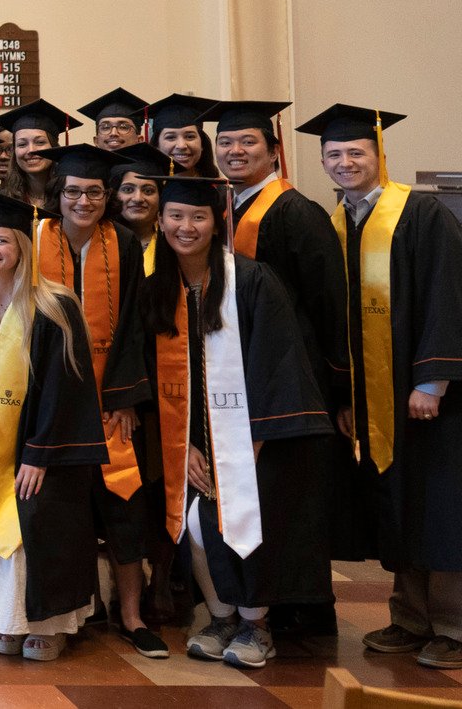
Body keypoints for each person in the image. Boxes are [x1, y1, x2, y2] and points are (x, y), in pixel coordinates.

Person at [137, 175, 332, 670]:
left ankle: (257, 624)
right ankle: (223, 615)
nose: (186, 226)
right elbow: (152, 380)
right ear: (160, 223)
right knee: (196, 525)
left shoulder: (253, 280)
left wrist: (243, 451)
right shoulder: (157, 290)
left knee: (242, 516)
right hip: (192, 440)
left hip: (261, 439)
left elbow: (277, 366)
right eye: (176, 217)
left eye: (198, 217)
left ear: (217, 221)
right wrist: (185, 449)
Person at [294, 105, 462, 669]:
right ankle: (409, 618)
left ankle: (453, 626)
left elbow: (448, 295)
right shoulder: (334, 223)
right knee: (396, 504)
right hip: (368, 399)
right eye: (334, 155)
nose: (345, 163)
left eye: (355, 153)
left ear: (378, 156)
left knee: (439, 507)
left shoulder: (422, 215)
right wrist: (343, 398)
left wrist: (432, 380)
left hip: (426, 399)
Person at [205, 98, 346, 652]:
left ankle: (301, 615)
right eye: (226, 144)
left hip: (293, 383)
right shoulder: (227, 208)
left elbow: (330, 305)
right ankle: (264, 605)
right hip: (242, 377)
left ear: (273, 150)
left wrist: (338, 386)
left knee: (291, 500)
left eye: (247, 144)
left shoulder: (294, 212)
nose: (235, 152)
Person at [0, 193, 108, 661]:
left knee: (39, 524)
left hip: (43, 447)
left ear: (22, 246)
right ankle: (5, 620)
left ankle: (52, 624)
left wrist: (41, 452)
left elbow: (69, 388)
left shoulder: (53, 306)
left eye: (2, 240)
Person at [34, 144, 165, 657]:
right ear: (57, 195)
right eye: (73, 192)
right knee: (63, 512)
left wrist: (126, 397)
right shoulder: (34, 237)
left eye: (93, 192)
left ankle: (131, 616)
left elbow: (134, 322)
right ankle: (74, 609)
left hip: (110, 400)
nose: (83, 201)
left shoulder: (125, 244)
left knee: (125, 505)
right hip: (51, 404)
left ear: (106, 196)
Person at [0, 99, 80, 209]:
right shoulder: (4, 200)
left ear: (54, 146)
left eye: (40, 142)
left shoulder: (72, 196)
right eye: (22, 144)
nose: (31, 150)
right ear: (15, 151)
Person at [112, 144, 169, 267]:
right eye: (128, 190)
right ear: (114, 194)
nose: (138, 198)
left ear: (161, 196)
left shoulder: (173, 243)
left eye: (148, 191)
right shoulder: (100, 242)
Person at [148, 93, 219, 178]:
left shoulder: (220, 190)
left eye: (190, 137)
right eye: (171, 137)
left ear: (202, 144)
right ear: (156, 146)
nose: (181, 146)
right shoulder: (148, 190)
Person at [81, 88, 150, 152]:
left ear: (139, 140)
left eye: (123, 127)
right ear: (96, 141)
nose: (113, 133)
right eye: (105, 127)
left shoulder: (151, 165)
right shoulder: (83, 165)